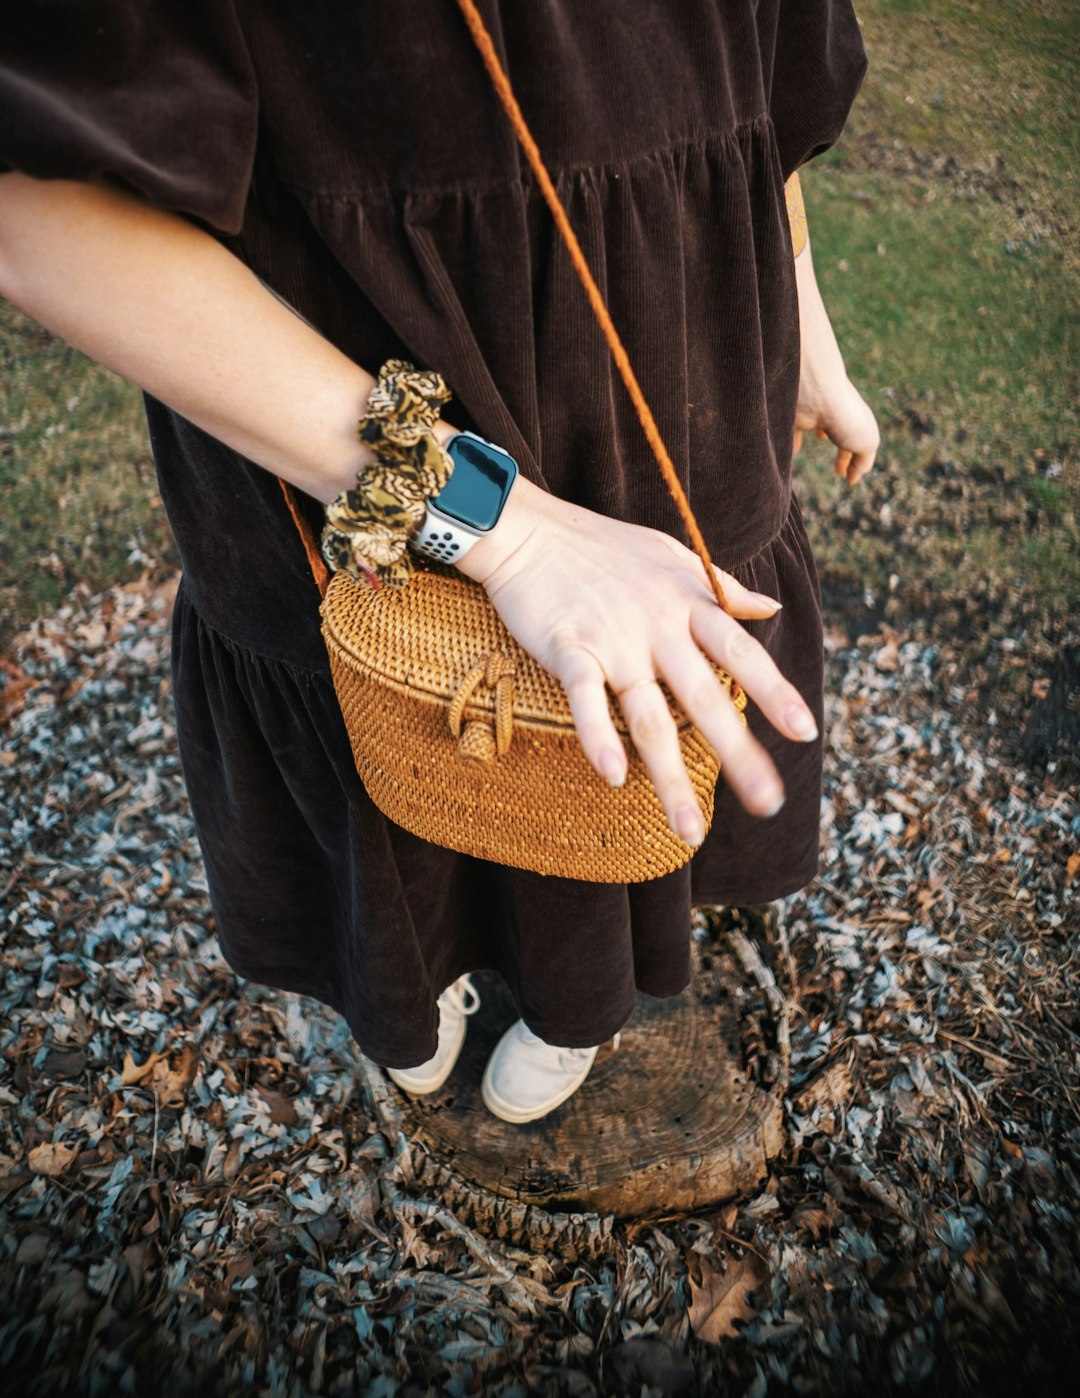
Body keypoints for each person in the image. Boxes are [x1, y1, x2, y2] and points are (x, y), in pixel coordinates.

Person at [0, 1, 878, 1125]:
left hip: (670, 416)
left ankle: (575, 1011)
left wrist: (802, 322)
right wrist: (512, 532)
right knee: (392, 758)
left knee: (596, 772)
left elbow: (769, 96)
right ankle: (416, 995)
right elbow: (40, 209)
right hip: (323, 427)